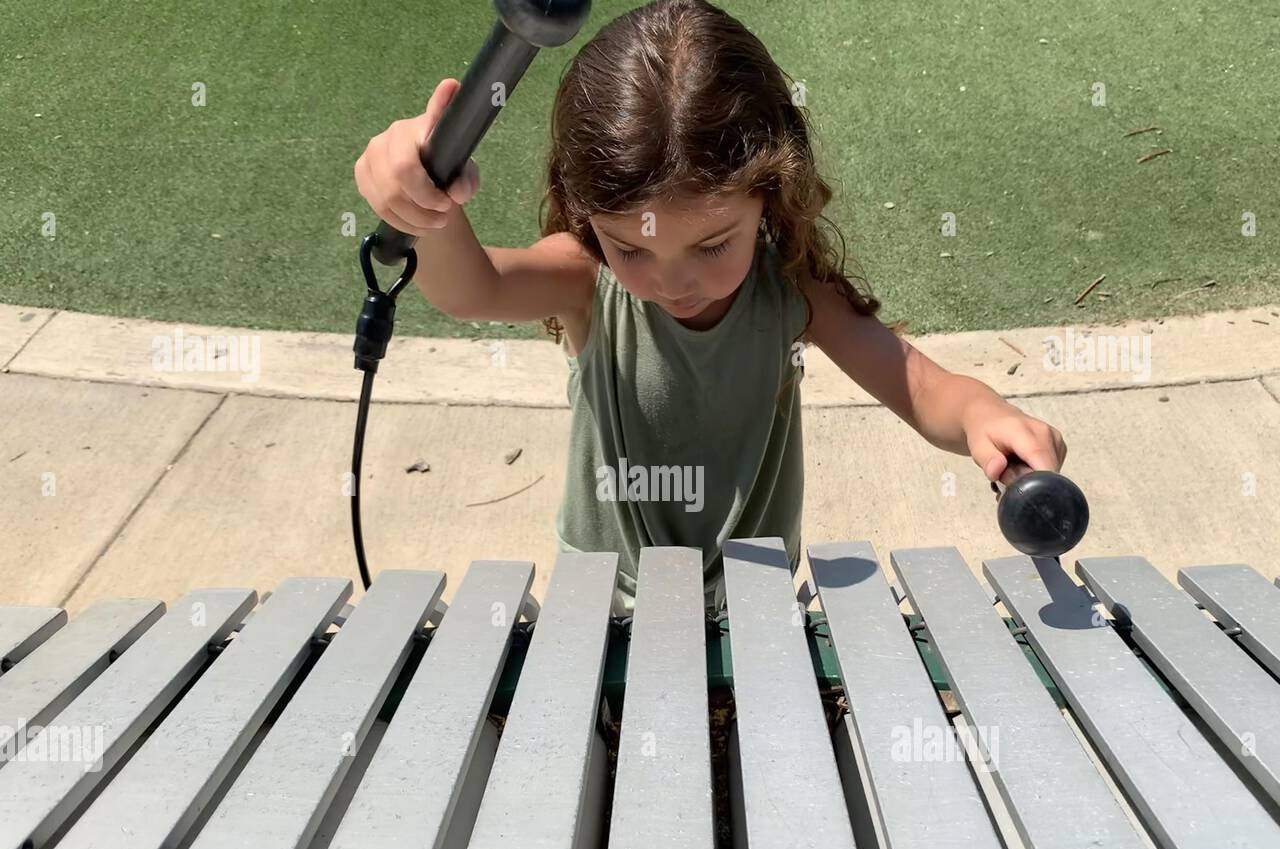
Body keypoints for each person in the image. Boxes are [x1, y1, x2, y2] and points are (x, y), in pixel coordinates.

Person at [353, 0, 1067, 613]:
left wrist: (980, 414)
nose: (673, 281)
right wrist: (424, 203)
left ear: (772, 196)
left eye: (713, 243)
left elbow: (920, 385)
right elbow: (472, 290)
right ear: (582, 213)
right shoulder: (584, 282)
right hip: (604, 601)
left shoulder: (791, 291)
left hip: (751, 601)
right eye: (630, 247)